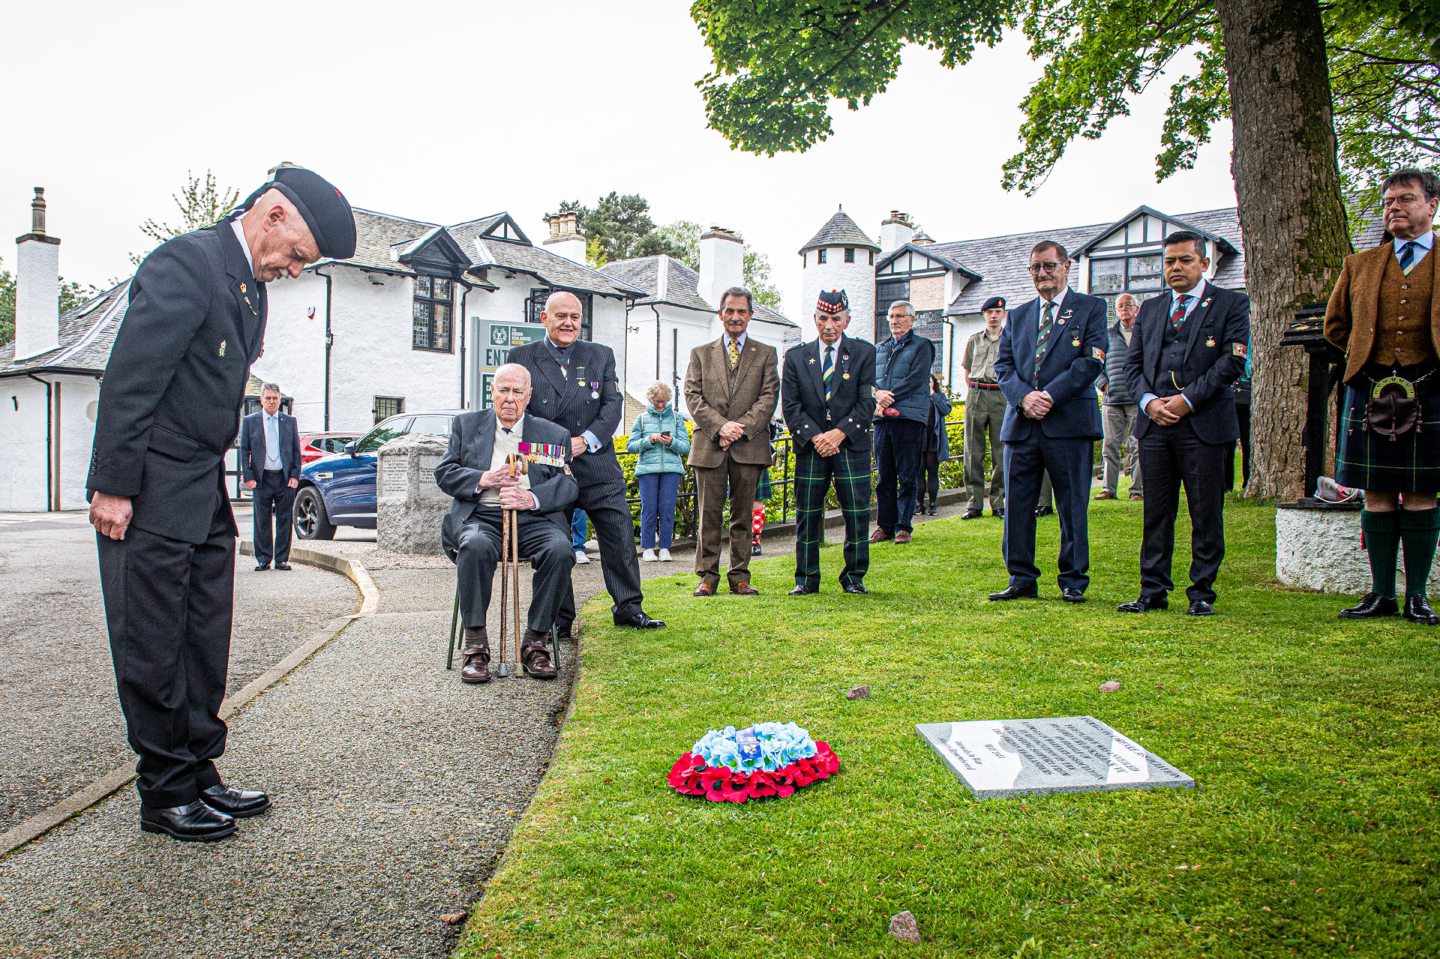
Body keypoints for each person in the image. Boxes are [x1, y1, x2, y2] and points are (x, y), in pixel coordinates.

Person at [87, 165, 355, 842]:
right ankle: (164, 787)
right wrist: (114, 484)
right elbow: (131, 378)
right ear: (272, 215)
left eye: (303, 264)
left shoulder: (246, 285)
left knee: (203, 633)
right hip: (149, 482)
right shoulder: (187, 262)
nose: (294, 270)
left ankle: (200, 767)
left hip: (203, 482)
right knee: (152, 638)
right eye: (296, 254)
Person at [1324, 168, 1440, 625]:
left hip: (1433, 389)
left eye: (1406, 199)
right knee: (1375, 493)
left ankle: (1417, 596)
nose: (1395, 207)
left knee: (1419, 493)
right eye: (1390, 200)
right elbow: (1336, 327)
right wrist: (1366, 358)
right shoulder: (1362, 264)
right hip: (1371, 390)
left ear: (1431, 205)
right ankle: (1380, 594)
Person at [509, 292, 665, 631]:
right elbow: (517, 415)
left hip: (596, 462)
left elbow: (612, 404)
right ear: (544, 318)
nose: (568, 323)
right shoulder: (521, 357)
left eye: (575, 317)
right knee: (556, 543)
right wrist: (557, 450)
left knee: (619, 534)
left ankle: (628, 607)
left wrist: (586, 440)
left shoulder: (600, 355)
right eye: (561, 316)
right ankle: (560, 618)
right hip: (548, 467)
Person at [1118, 231, 1250, 616]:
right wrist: (1148, 402)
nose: (1176, 268)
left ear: (1204, 264)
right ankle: (1153, 589)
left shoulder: (1230, 304)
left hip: (1204, 424)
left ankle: (1202, 592)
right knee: (1156, 510)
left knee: (1205, 510)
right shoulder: (1153, 309)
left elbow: (1232, 361)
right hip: (1155, 425)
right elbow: (1132, 365)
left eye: (1185, 261)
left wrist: (1187, 399)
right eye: (1169, 262)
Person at [436, 364, 576, 683]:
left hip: (533, 519)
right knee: (473, 546)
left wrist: (531, 498)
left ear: (528, 396)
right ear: (492, 392)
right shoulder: (467, 426)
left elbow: (568, 484)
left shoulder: (552, 434)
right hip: (481, 516)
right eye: (503, 390)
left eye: (517, 392)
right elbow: (444, 473)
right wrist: (483, 479)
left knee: (560, 551)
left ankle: (535, 642)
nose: (509, 399)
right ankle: (475, 646)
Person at [989, 240, 1107, 603]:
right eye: (1036, 268)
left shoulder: (1090, 308)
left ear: (1066, 266)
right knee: (1019, 505)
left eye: (1049, 266)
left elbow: (1091, 361)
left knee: (1072, 504)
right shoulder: (1019, 315)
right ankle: (1021, 576)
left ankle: (1073, 577)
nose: (1043, 274)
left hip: (1068, 421)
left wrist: (1049, 396)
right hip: (1022, 423)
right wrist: (1024, 397)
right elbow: (1003, 366)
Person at [683, 286, 780, 596]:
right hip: (710, 446)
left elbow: (768, 397)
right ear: (720, 313)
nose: (735, 316)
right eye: (730, 310)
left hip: (749, 446)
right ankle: (707, 577)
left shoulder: (766, 354)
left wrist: (740, 429)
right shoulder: (700, 353)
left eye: (741, 311)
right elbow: (692, 395)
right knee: (708, 516)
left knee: (743, 515)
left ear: (750, 315)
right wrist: (721, 427)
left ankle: (740, 576)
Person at [782, 289, 877, 594]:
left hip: (851, 445)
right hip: (811, 447)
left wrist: (839, 433)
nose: (829, 325)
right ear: (814, 319)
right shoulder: (796, 357)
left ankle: (854, 577)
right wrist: (816, 436)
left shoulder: (864, 353)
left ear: (846, 319)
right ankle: (806, 579)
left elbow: (866, 403)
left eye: (836, 319)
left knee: (856, 514)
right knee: (807, 515)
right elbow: (791, 406)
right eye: (823, 318)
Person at [872, 300, 936, 544]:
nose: (894, 321)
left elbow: (916, 378)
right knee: (884, 475)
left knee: (908, 474)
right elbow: (870, 380)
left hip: (908, 417)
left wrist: (889, 396)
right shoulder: (880, 348)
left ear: (911, 319)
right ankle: (884, 525)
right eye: (891, 316)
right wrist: (877, 394)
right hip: (882, 419)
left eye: (900, 316)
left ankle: (903, 526)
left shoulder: (923, 346)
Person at [238, 384, 301, 571]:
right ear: (261, 400)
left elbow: (296, 450)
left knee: (284, 519)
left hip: (283, 478)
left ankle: (281, 559)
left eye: (275, 398)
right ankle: (263, 558)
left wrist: (295, 475)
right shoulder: (250, 421)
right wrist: (248, 475)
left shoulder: (289, 421)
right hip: (261, 478)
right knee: (261, 519)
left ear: (280, 400)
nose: (271, 401)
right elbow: (244, 450)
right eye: (268, 398)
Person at [627, 380, 689, 562]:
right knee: (649, 509)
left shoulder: (677, 419)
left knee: (667, 508)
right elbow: (631, 446)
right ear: (651, 400)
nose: (660, 405)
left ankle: (664, 548)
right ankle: (647, 548)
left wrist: (672, 443)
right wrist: (649, 440)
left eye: (663, 401)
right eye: (656, 402)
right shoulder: (641, 419)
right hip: (647, 470)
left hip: (671, 469)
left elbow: (686, 447)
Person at [961, 296, 1008, 519]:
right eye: (989, 312)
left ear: (1003, 315)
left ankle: (998, 502)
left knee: (1001, 451)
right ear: (984, 315)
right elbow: (967, 370)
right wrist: (973, 391)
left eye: (997, 312)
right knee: (973, 450)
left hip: (1000, 394)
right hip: (977, 393)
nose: (993, 316)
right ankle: (974, 503)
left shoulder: (1011, 340)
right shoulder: (973, 340)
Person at [1096, 293, 1144, 501]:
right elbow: (1095, 362)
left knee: (1137, 446)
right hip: (1112, 398)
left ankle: (1137, 491)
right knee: (1110, 446)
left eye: (1128, 305)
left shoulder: (1144, 334)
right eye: (1120, 306)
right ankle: (1108, 489)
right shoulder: (1107, 335)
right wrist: (1101, 382)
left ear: (1137, 309)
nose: (1124, 309)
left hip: (1136, 398)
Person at [920, 374, 953, 515]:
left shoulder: (939, 396)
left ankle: (933, 504)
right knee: (918, 472)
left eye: (930, 381)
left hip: (934, 438)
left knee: (932, 472)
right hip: (919, 438)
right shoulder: (918, 396)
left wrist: (933, 394)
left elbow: (946, 410)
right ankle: (918, 503)